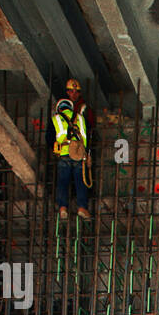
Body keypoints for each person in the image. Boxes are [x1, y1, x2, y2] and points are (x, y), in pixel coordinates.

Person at [52, 78, 92, 220]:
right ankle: (82, 207)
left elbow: (50, 137)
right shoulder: (80, 117)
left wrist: (55, 149)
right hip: (78, 154)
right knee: (81, 182)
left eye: (76, 91)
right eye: (71, 91)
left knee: (62, 182)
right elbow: (86, 137)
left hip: (63, 154)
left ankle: (63, 208)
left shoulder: (55, 119)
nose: (74, 94)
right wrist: (86, 154)